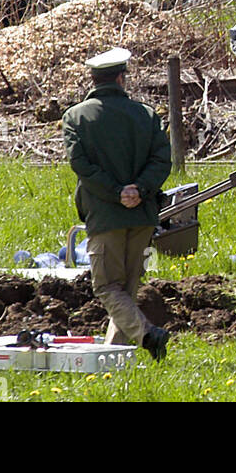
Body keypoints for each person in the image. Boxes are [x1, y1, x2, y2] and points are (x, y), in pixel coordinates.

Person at [62, 47, 173, 361]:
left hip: (105, 215)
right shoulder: (147, 114)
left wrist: (115, 192)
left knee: (107, 288)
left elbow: (81, 165)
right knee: (126, 289)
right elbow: (162, 160)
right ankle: (113, 357)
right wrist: (139, 189)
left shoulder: (75, 117)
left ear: (93, 79)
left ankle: (149, 335)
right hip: (142, 214)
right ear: (122, 78)